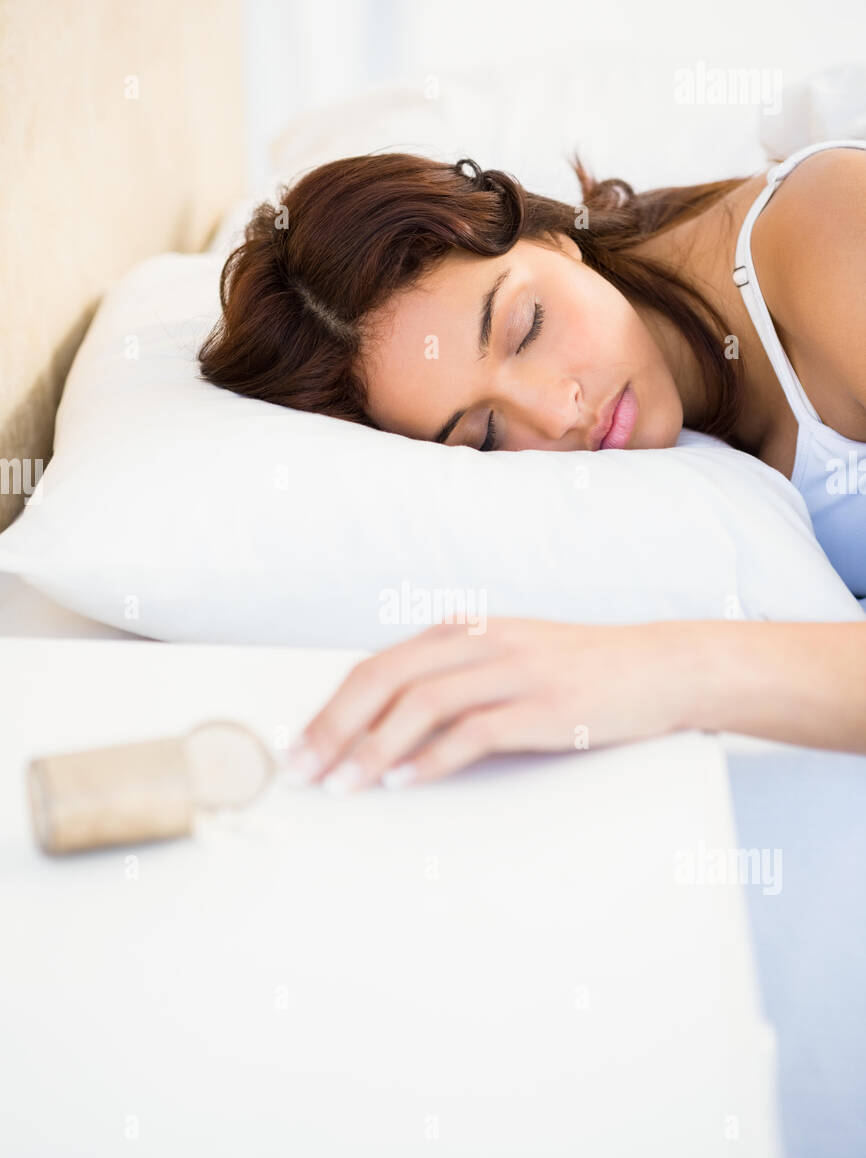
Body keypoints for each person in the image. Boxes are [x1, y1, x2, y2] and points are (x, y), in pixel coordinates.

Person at [198, 142, 866, 792]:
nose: (557, 414)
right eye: (485, 435)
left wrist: (654, 671)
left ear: (550, 238)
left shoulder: (828, 234)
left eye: (527, 326)